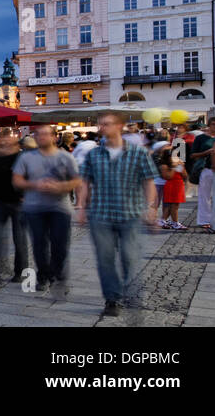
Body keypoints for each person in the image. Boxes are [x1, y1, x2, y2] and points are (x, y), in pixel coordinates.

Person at [78, 109, 159, 317]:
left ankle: (130, 292)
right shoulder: (94, 154)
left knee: (129, 258)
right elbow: (84, 182)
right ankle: (112, 299)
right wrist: (81, 207)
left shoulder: (138, 153)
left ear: (119, 126)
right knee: (105, 259)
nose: (102, 127)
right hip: (101, 214)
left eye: (107, 123)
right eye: (101, 124)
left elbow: (149, 182)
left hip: (130, 213)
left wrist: (151, 208)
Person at [13, 124, 80, 294]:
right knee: (39, 244)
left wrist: (61, 187)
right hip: (34, 208)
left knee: (60, 245)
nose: (41, 137)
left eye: (45, 134)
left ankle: (56, 274)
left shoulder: (65, 157)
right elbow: (17, 181)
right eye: (38, 135)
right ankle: (43, 276)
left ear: (54, 137)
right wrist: (35, 184)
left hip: (60, 207)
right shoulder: (26, 158)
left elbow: (76, 180)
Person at [0, 129, 28, 282]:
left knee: (20, 238)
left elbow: (28, 175)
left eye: (9, 138)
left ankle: (20, 271)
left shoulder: (21, 155)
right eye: (3, 138)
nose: (6, 141)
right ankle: (1, 265)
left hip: (18, 202)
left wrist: (24, 195)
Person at [191, 118, 215, 229]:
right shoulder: (201, 138)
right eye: (213, 124)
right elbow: (193, 155)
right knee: (204, 196)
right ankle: (204, 220)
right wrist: (206, 152)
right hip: (206, 168)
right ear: (209, 125)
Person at [158, 147, 187, 230]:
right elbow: (168, 177)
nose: (176, 158)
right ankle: (175, 222)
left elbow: (185, 176)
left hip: (179, 185)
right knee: (173, 205)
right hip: (171, 185)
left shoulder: (178, 163)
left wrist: (182, 167)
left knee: (176, 205)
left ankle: (164, 220)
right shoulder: (164, 166)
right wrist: (174, 167)